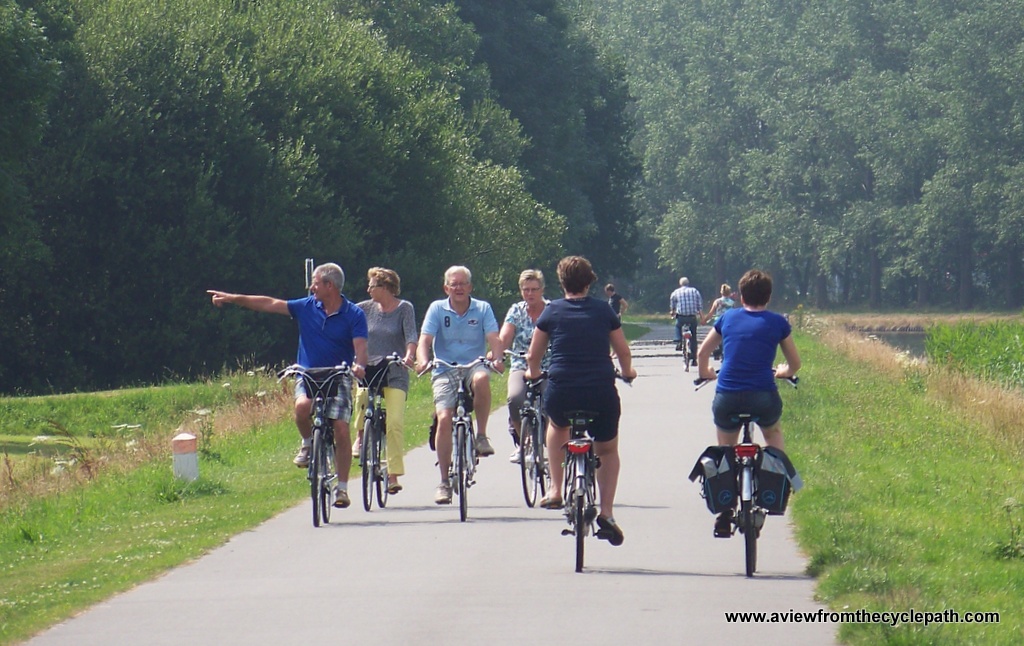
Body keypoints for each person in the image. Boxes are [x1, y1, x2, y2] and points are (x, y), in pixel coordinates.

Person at [208, 263, 368, 509]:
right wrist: (233, 298)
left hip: (337, 375)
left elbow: (361, 349)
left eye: (315, 282)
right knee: (302, 408)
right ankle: (307, 443)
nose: (311, 287)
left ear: (330, 286)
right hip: (308, 373)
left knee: (341, 428)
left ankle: (343, 488)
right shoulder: (306, 307)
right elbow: (268, 303)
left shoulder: (354, 314)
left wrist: (359, 366)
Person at [526, 256, 636, 546]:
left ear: (561, 283)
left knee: (557, 425)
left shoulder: (551, 312)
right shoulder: (604, 311)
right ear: (589, 282)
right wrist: (628, 372)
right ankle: (608, 512)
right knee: (608, 450)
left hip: (563, 390)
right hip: (600, 389)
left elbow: (533, 356)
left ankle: (556, 488)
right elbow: (623, 352)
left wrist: (534, 374)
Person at [696, 269, 801, 536]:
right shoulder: (778, 322)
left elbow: (703, 352)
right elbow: (795, 363)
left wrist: (706, 372)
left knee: (725, 448)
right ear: (768, 296)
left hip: (728, 396)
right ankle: (775, 483)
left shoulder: (727, 318)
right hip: (763, 395)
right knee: (773, 432)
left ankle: (725, 510)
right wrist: (784, 372)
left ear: (741, 295)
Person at [416, 265, 505, 505]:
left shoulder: (482, 308)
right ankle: (444, 481)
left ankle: (482, 436)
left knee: (482, 378)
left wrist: (497, 358)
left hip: (473, 364)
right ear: (446, 287)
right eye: (453, 284)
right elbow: (425, 340)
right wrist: (423, 360)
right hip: (445, 367)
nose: (458, 288)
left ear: (470, 287)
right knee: (444, 418)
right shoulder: (437, 308)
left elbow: (494, 338)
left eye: (463, 283)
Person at [349, 267, 417, 494]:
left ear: (386, 287)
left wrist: (409, 356)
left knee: (395, 422)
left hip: (394, 370)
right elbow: (348, 332)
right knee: (362, 396)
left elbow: (411, 338)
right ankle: (360, 438)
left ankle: (393, 475)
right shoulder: (362, 309)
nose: (368, 289)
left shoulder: (404, 308)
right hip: (368, 369)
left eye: (372, 285)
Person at [498, 269, 550, 463]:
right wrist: (497, 352)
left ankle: (549, 440)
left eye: (534, 289)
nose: (530, 294)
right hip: (521, 364)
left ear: (542, 289)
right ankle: (524, 442)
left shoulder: (551, 310)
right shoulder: (516, 311)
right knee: (515, 397)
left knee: (552, 400)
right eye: (526, 289)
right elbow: (505, 336)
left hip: (547, 366)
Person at [669, 277, 703, 365]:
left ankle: (678, 340)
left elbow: (672, 305)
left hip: (681, 317)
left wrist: (672, 312)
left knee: (677, 325)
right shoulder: (695, 291)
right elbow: (699, 306)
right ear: (688, 283)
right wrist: (702, 317)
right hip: (692, 317)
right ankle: (694, 360)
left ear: (680, 284)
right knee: (694, 337)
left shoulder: (676, 292)